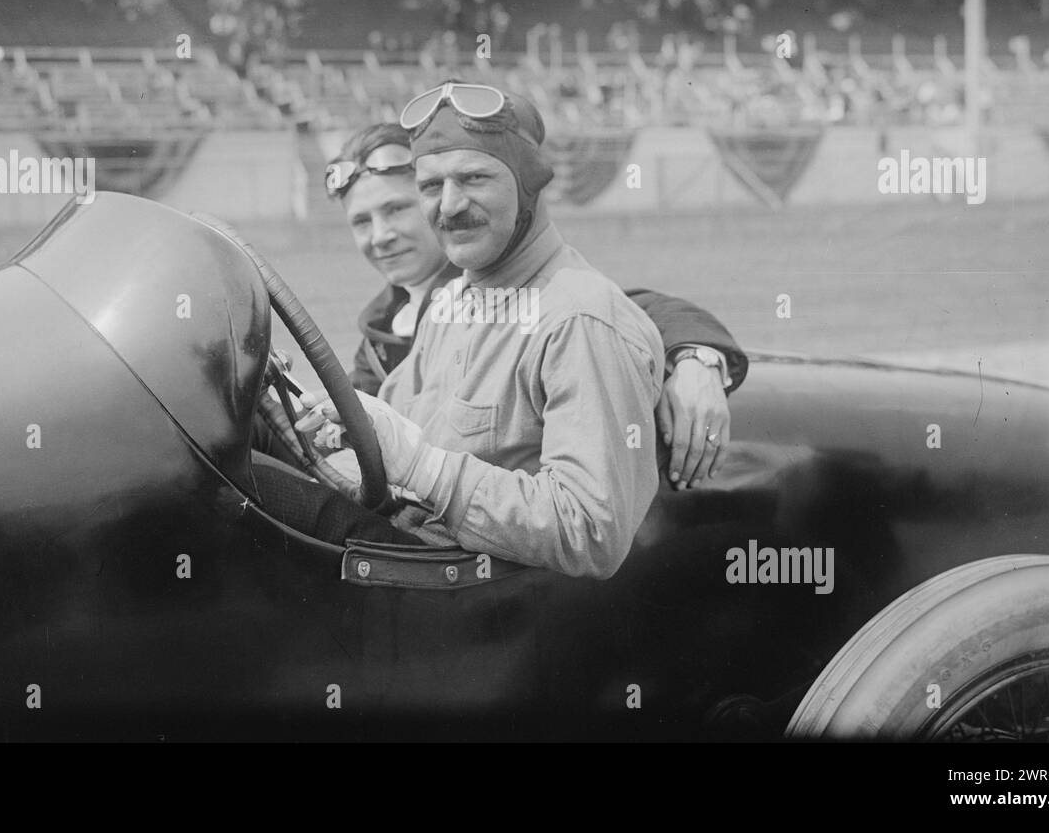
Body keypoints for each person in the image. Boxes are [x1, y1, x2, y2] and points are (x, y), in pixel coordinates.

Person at [295, 84, 737, 578]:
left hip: (476, 599)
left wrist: (697, 356)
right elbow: (390, 438)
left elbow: (592, 532)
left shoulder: (579, 315)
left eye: (475, 177)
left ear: (529, 184)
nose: (450, 205)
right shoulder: (448, 304)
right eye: (430, 186)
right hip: (413, 562)